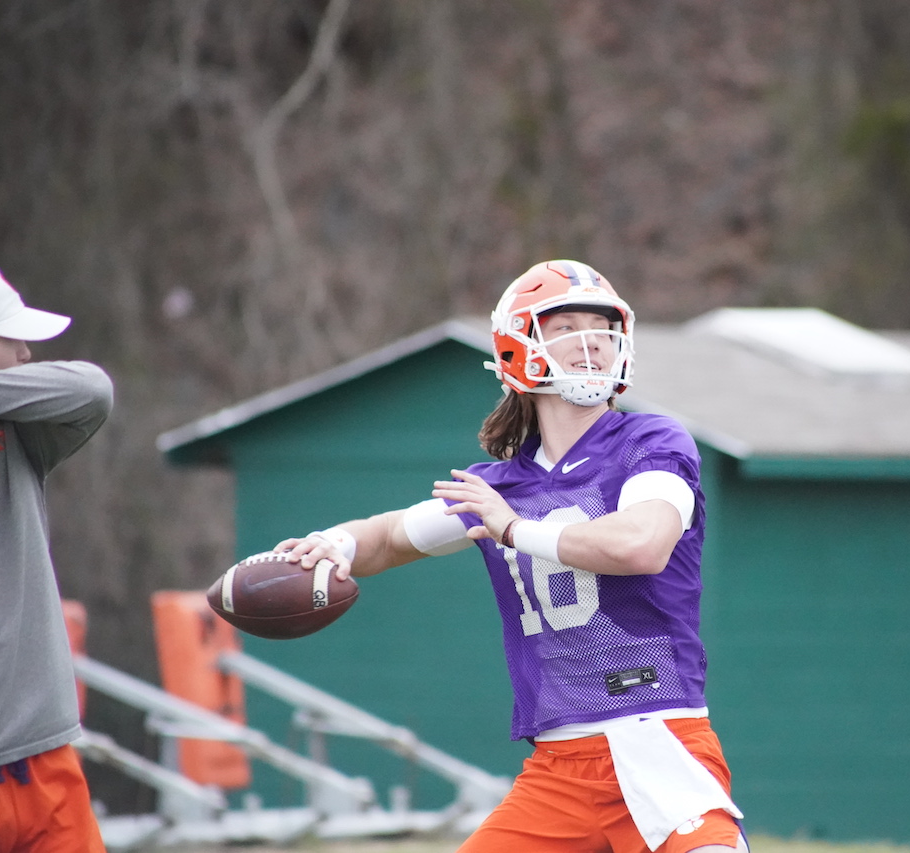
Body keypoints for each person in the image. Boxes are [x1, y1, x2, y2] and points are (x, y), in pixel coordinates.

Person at [277, 259, 747, 853]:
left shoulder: (651, 442)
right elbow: (392, 535)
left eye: (602, 327)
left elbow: (641, 544)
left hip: (661, 743)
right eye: (566, 325)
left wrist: (514, 529)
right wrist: (335, 543)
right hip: (557, 771)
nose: (592, 343)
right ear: (518, 346)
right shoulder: (499, 487)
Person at [0, 269, 113, 853]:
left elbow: (91, 390)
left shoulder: (20, 431)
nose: (25, 352)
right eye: (7, 338)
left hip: (42, 763)